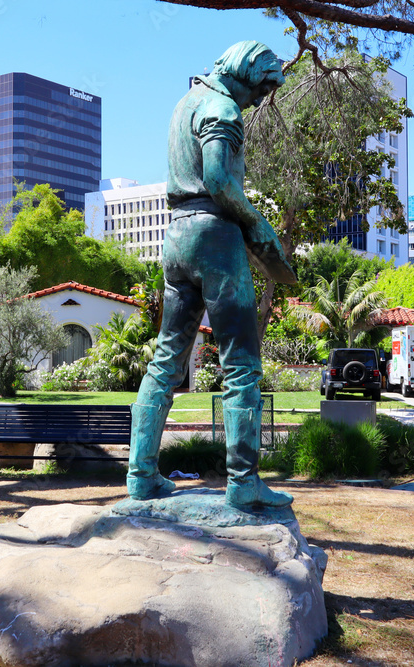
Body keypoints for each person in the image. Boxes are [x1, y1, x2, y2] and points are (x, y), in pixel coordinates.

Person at [126, 41, 296, 509]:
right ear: (244, 74)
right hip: (214, 239)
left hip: (175, 238)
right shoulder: (222, 108)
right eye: (260, 90)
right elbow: (220, 182)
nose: (258, 101)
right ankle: (243, 484)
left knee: (165, 361)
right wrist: (257, 224)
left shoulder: (185, 103)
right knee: (242, 365)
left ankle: (140, 477)